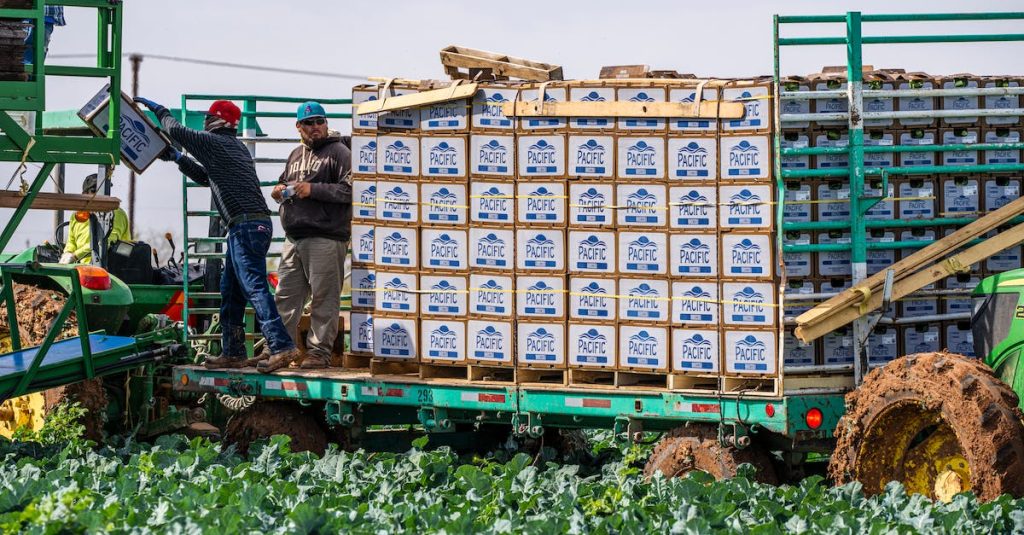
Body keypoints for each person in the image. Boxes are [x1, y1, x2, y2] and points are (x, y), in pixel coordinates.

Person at [133, 96, 299, 371]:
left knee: (254, 286)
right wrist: (178, 158)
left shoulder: (214, 142)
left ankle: (282, 346)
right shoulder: (234, 148)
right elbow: (206, 177)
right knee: (231, 292)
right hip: (247, 226)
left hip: (246, 226)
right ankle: (233, 352)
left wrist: (160, 111)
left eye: (209, 117)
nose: (205, 122)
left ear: (218, 122)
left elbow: (176, 131)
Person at [258, 101, 351, 370]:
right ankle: (278, 348)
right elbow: (285, 181)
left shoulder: (339, 152)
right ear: (299, 126)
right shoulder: (295, 154)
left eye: (320, 121)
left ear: (326, 123)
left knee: (324, 297)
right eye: (309, 123)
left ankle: (319, 353)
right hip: (294, 237)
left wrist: (314, 189)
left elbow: (351, 190)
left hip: (326, 235)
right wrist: (279, 190)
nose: (316, 127)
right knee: (285, 296)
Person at [59, 174, 130, 264]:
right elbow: (71, 241)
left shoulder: (115, 213)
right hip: (81, 267)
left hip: (110, 268)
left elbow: (107, 242)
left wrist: (75, 255)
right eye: (94, 191)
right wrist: (67, 253)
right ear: (84, 194)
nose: (99, 195)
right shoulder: (77, 216)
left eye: (103, 191)